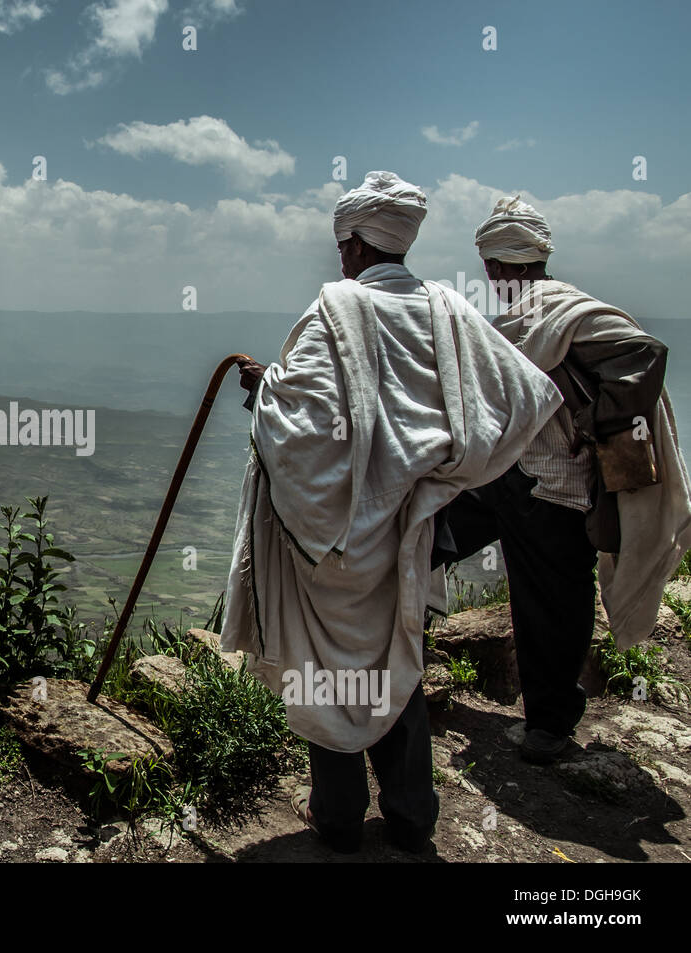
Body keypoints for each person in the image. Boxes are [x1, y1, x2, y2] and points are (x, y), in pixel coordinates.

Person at [222, 172, 561, 853]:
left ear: (350, 245)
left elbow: (305, 429)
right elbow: (527, 395)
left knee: (327, 666)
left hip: (333, 538)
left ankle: (341, 819)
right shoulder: (448, 310)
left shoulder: (335, 310)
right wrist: (445, 477)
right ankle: (412, 816)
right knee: (397, 656)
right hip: (407, 530)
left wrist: (268, 389)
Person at [431, 196, 691, 765]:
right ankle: (410, 652)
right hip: (508, 479)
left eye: (491, 267)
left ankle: (549, 727)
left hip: (555, 490)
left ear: (500, 267)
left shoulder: (564, 314)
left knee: (550, 601)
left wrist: (586, 423)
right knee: (431, 536)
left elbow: (645, 356)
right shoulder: (545, 314)